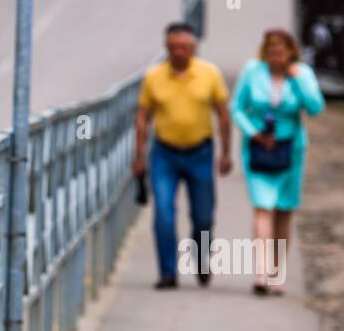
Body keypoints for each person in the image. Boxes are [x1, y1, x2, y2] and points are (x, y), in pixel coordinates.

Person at [133, 22, 234, 290]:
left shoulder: (209, 74)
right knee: (163, 212)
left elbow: (223, 113)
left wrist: (226, 152)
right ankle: (168, 272)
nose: (179, 52)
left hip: (200, 151)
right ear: (166, 48)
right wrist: (139, 155)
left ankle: (201, 259)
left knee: (202, 215)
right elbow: (143, 117)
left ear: (193, 48)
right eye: (174, 47)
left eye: (184, 47)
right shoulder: (153, 76)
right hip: (164, 153)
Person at [230, 29, 325, 295]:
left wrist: (301, 81)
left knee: (284, 210)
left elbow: (316, 108)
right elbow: (236, 107)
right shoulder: (253, 71)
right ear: (265, 53)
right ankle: (261, 273)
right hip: (259, 148)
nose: (276, 59)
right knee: (262, 207)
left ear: (291, 54)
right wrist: (254, 133)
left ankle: (276, 271)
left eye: (281, 54)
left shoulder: (302, 75)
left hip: (290, 150)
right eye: (272, 53)